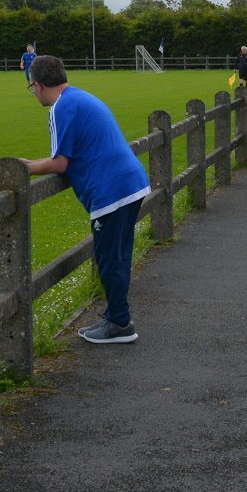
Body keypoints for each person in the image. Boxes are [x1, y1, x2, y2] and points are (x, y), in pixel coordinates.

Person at [20, 55, 149, 344]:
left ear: (39, 85)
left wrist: (24, 167)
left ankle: (119, 323)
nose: (34, 93)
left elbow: (59, 163)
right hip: (131, 183)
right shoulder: (80, 97)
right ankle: (117, 317)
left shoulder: (61, 107)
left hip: (111, 190)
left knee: (108, 259)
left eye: (32, 88)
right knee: (118, 254)